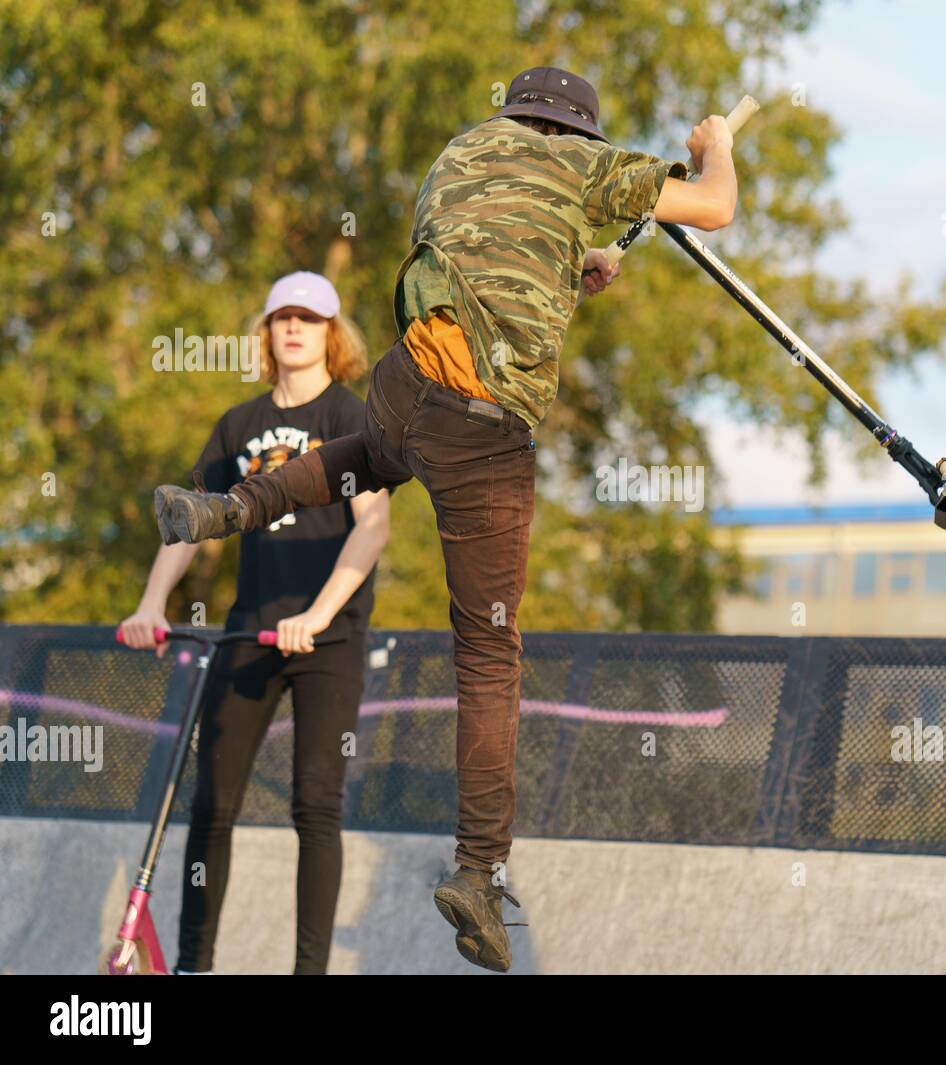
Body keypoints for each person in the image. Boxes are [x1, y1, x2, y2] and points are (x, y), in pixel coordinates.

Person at [150, 67, 738, 972]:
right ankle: (480, 868)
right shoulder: (589, 166)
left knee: (364, 458)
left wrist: (578, 266)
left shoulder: (460, 151)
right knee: (489, 654)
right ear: (577, 132)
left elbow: (493, 253)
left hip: (401, 387)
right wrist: (713, 147)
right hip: (482, 424)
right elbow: (714, 208)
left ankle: (232, 504)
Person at [122, 271, 390, 974]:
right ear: (267, 333)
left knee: (315, 807)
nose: (294, 327)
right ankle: (192, 965)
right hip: (248, 629)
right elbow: (187, 522)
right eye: (281, 317)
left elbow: (374, 525)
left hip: (326, 637)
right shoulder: (237, 426)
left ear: (334, 334)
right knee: (212, 803)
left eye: (309, 317)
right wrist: (153, 606)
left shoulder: (352, 418)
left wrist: (321, 612)